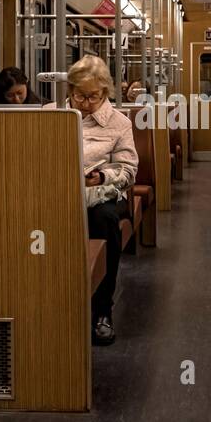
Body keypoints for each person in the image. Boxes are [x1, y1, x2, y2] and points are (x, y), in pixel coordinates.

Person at [68, 55, 138, 345]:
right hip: (58, 192)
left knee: (105, 220)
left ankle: (101, 311)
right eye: (79, 96)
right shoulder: (51, 114)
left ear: (105, 93)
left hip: (102, 195)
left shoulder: (119, 123)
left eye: (92, 96)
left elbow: (128, 169)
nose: (85, 103)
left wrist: (101, 177)